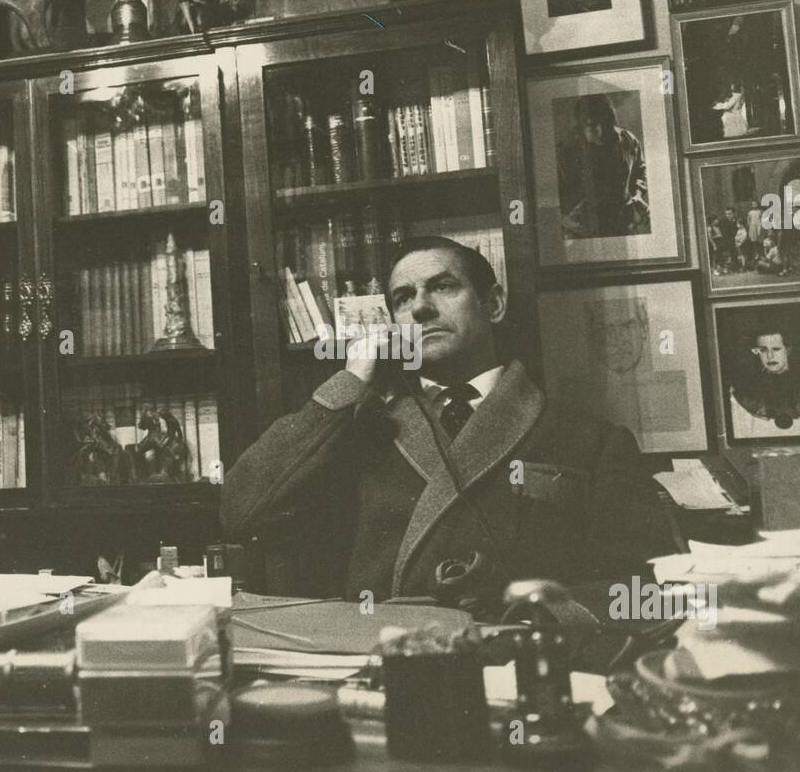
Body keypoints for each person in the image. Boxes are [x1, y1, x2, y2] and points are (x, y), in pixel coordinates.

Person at [220, 236, 679, 618]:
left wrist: (535, 614)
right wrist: (349, 382)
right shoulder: (356, 428)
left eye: (443, 287)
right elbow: (242, 510)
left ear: (494, 304)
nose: (420, 308)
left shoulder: (588, 439)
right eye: (403, 299)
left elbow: (636, 591)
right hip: (381, 662)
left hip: (516, 658)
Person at [560, 96, 649, 239]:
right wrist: (565, 220)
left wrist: (638, 194)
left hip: (624, 225)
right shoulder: (567, 150)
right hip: (584, 232)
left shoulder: (627, 140)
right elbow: (550, 197)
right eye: (590, 125)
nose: (597, 131)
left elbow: (640, 170)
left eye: (602, 124)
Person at [729, 328, 800, 436]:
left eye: (776, 349)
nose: (769, 356)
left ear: (787, 350)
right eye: (763, 350)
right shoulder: (746, 395)